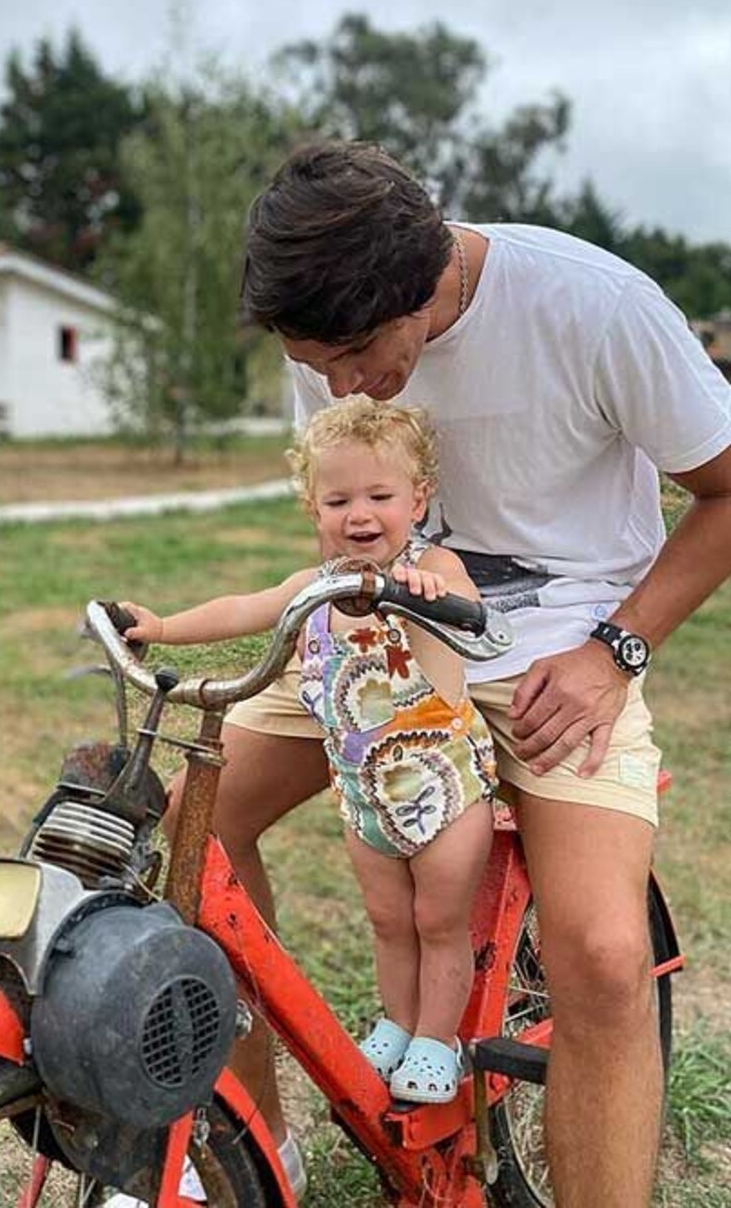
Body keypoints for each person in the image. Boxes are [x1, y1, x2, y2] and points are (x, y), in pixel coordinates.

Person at [167, 140, 730, 1208]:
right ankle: (251, 1153)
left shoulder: (597, 306)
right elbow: (348, 505)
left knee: (605, 955)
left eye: (357, 353)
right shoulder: (335, 327)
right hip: (378, 642)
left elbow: (727, 488)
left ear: (420, 283)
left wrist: (616, 651)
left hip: (560, 653)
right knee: (194, 831)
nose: (336, 382)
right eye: (313, 361)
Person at [124, 397, 499, 1106]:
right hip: (364, 798)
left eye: (380, 496)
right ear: (313, 508)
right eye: (338, 499)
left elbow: (465, 613)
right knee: (390, 921)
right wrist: (164, 625)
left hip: (443, 794)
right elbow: (245, 606)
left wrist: (424, 595)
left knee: (439, 922)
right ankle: (398, 1018)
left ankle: (438, 1038)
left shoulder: (433, 568)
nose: (360, 513)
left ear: (417, 498)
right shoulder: (317, 587)